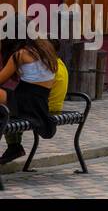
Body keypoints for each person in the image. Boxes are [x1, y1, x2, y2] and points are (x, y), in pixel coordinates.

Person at [0, 37, 66, 165]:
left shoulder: (21, 55)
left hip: (25, 104)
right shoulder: (46, 51)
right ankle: (14, 146)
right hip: (39, 105)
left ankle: (14, 146)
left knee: (4, 103)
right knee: (5, 106)